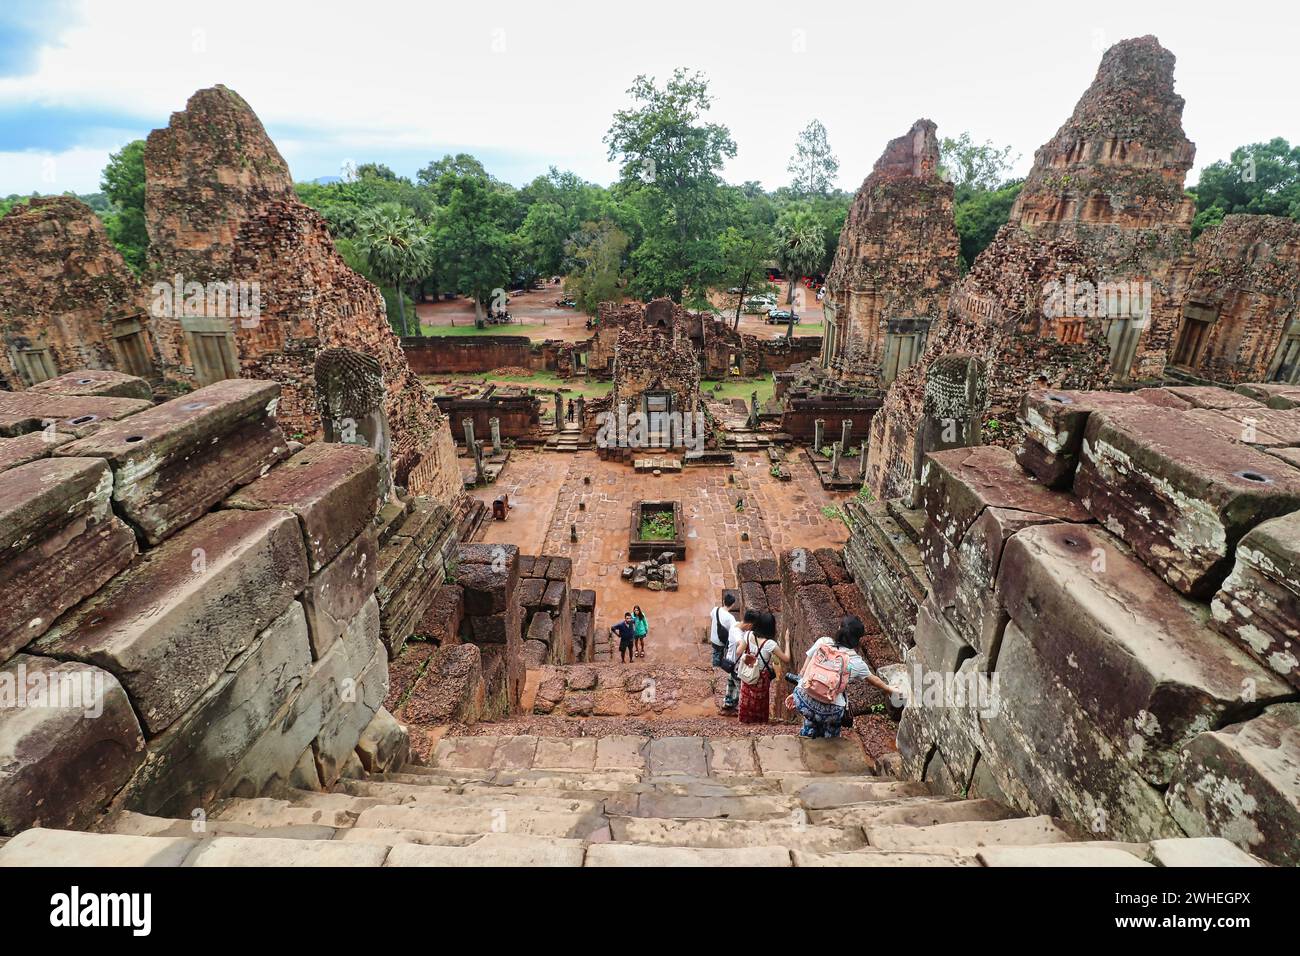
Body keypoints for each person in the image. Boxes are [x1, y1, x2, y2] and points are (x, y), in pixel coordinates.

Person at [789, 616, 898, 738]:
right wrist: (890, 689)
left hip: (803, 700)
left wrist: (800, 686)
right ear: (858, 639)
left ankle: (807, 734)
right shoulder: (856, 662)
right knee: (831, 723)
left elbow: (806, 667)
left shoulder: (823, 642)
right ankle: (831, 738)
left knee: (810, 717)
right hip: (830, 712)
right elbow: (874, 680)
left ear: (839, 628)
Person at [736, 612, 790, 724]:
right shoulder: (770, 644)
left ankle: (745, 720)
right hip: (761, 677)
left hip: (748, 672)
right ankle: (759, 723)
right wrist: (787, 641)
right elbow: (786, 659)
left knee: (746, 698)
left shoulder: (748, 635)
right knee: (760, 701)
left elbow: (739, 652)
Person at [708, 595, 738, 713]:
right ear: (732, 604)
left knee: (715, 653)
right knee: (720, 654)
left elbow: (712, 617)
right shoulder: (730, 618)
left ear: (723, 602)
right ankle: (718, 668)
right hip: (721, 641)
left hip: (714, 637)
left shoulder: (715, 610)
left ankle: (715, 666)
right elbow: (734, 631)